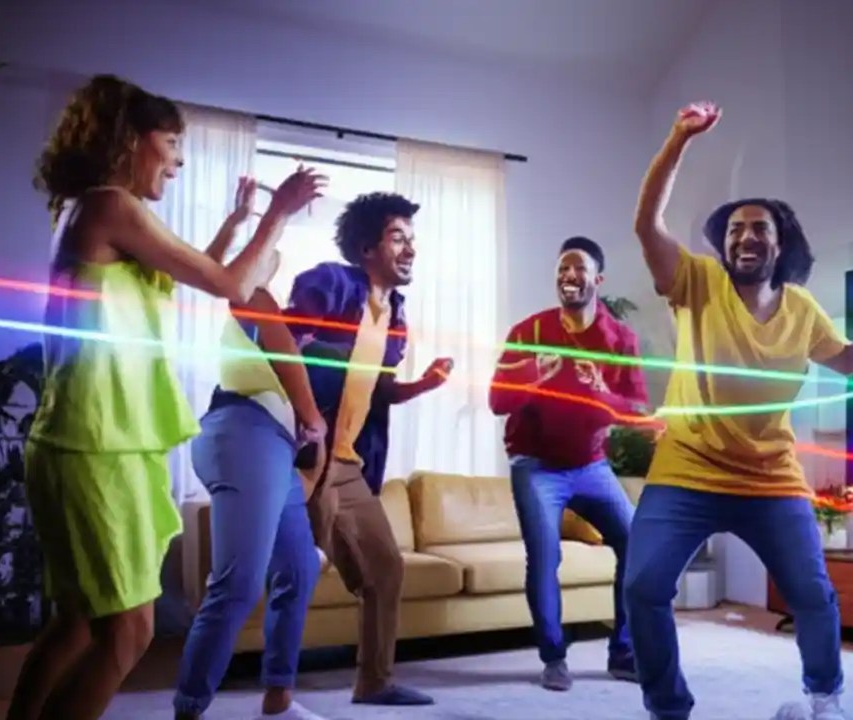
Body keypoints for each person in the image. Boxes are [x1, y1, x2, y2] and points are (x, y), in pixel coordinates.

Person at [8, 74, 322, 720]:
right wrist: (278, 211)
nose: (178, 162)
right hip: (95, 444)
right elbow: (231, 285)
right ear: (131, 139)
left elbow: (181, 280)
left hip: (82, 440)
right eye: (172, 143)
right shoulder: (110, 206)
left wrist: (237, 223)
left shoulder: (95, 212)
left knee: (75, 624)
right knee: (129, 634)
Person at [626, 101, 853, 720]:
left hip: (769, 475)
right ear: (724, 245)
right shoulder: (696, 283)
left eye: (759, 228)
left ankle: (823, 698)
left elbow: (849, 360)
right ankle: (667, 707)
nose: (745, 236)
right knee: (643, 586)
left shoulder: (802, 309)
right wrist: (679, 137)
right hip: (687, 467)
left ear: (779, 246)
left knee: (811, 592)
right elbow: (647, 223)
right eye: (734, 229)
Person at [284, 192, 452, 707]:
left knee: (385, 568)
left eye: (410, 239)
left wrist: (421, 385)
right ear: (365, 248)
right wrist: (308, 418)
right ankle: (264, 693)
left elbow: (378, 389)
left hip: (348, 465)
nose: (410, 249)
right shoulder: (329, 284)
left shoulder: (394, 314)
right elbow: (286, 346)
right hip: (295, 456)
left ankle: (374, 681)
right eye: (397, 237)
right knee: (285, 574)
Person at [172, 186, 330, 718]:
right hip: (247, 435)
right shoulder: (254, 298)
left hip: (263, 447)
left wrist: (241, 218)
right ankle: (189, 706)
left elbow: (212, 265)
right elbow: (288, 361)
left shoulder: (251, 307)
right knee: (238, 585)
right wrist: (312, 417)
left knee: (299, 567)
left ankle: (279, 695)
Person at [488, 236, 649, 691]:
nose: (568, 275)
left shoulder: (620, 338)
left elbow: (636, 411)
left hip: (591, 465)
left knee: (636, 543)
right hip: (535, 465)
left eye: (578, 268)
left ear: (597, 279)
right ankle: (554, 657)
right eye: (562, 267)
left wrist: (600, 389)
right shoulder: (528, 332)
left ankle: (624, 651)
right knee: (544, 556)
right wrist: (532, 375)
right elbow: (496, 400)